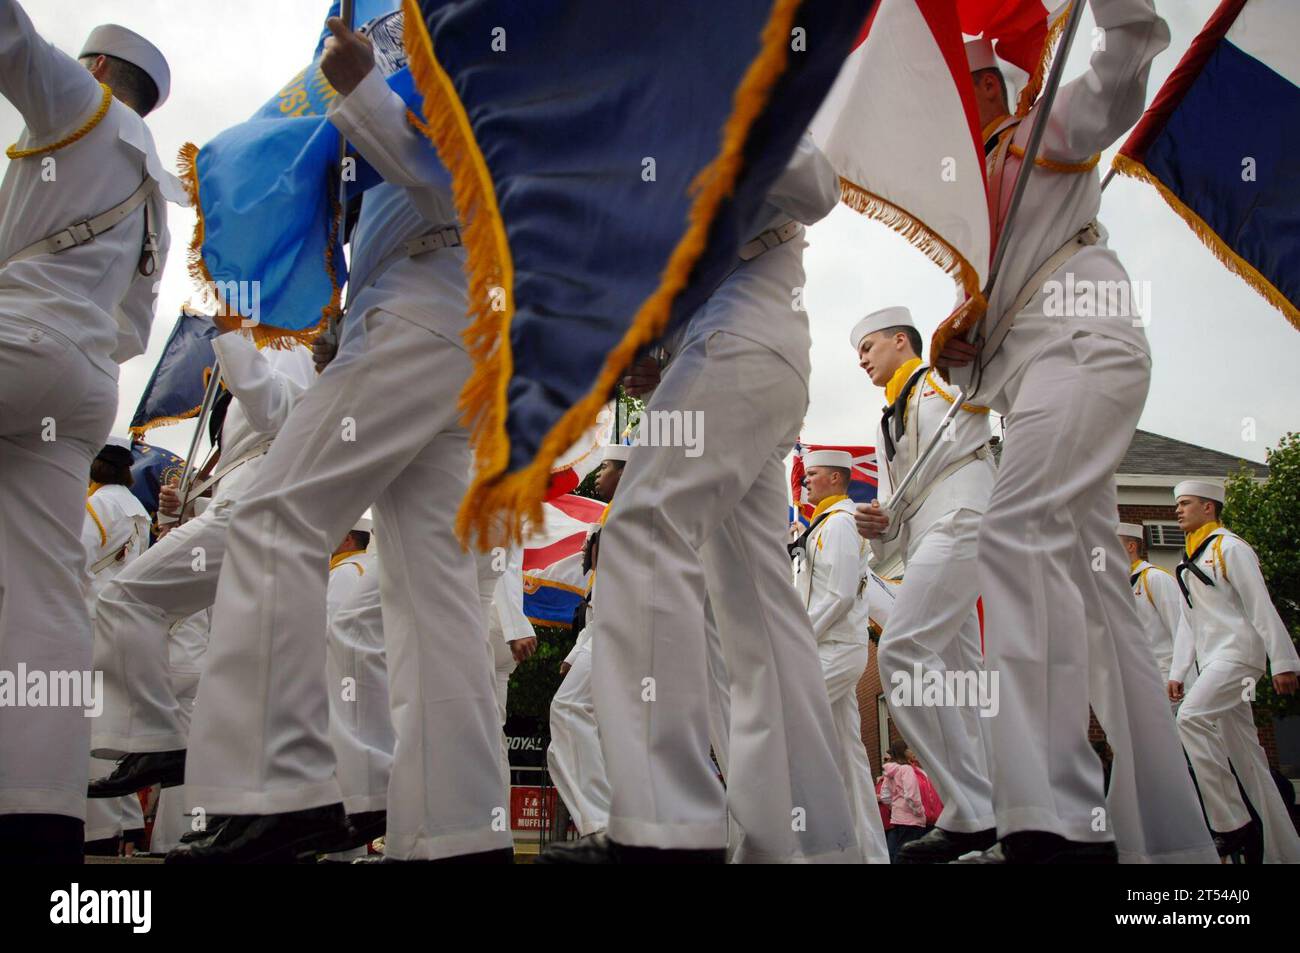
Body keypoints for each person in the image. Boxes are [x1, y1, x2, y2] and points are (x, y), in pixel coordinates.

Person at [170, 18, 510, 863]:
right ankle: (459, 832)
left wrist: (360, 85)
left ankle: (280, 792)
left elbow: (457, 183)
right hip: (450, 328)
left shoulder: (486, 58)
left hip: (428, 310)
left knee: (273, 521)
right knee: (433, 598)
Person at [941, 4, 1216, 864]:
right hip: (1043, 381)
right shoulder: (969, 194)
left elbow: (1129, 57)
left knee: (1015, 537)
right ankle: (1167, 850)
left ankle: (1052, 820)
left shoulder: (1041, 127)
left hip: (1085, 348)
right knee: (1105, 610)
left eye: (961, 76)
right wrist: (954, 350)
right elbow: (982, 373)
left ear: (990, 83)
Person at [581, 134, 859, 863]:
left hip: (746, 334)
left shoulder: (732, 75)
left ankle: (665, 824)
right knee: (759, 613)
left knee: (642, 527)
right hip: (732, 339)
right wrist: (656, 347)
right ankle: (808, 841)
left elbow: (817, 187)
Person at [0, 2, 182, 862]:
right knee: (44, 598)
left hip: (23, 337)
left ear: (100, 70)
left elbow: (11, 42)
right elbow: (134, 332)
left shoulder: (84, 105)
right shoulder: (156, 198)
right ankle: (38, 815)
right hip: (83, 386)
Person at [88, 322, 313, 793]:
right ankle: (262, 805)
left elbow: (277, 415)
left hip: (257, 506)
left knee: (126, 599)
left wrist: (232, 337)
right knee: (258, 679)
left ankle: (157, 739)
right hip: (254, 506)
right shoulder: (276, 344)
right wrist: (189, 507)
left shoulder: (289, 340)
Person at [850, 306, 997, 863]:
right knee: (962, 678)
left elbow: (999, 386)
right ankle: (1000, 810)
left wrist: (969, 352)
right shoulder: (884, 419)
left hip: (965, 512)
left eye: (868, 346)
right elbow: (896, 506)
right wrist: (880, 524)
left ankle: (971, 807)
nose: (861, 359)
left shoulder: (945, 375)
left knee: (904, 650)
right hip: (924, 533)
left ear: (900, 340)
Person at [1168, 481, 1300, 863]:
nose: (1178, 510)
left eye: (1185, 504)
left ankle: (1230, 823)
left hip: (1237, 657)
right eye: (1177, 505)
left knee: (1190, 719)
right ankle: (1286, 853)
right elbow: (1186, 622)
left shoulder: (1231, 548)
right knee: (1250, 762)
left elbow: (1260, 604)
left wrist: (1283, 661)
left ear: (1209, 507)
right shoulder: (1187, 556)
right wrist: (1178, 670)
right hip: (1213, 662)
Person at [791, 449, 889, 864]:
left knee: (780, 724)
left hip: (831, 649)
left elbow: (841, 592)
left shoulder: (842, 524)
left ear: (835, 477)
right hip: (825, 648)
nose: (804, 480)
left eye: (811, 474)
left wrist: (798, 639)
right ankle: (868, 855)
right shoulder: (822, 526)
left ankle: (800, 846)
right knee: (850, 759)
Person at [82, 437, 150, 855]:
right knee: (114, 727)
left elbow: (72, 559)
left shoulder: (96, 506)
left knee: (88, 728)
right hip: (121, 626)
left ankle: (98, 831)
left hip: (90, 625)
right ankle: (125, 824)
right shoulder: (137, 508)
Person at [1117, 521, 1192, 707]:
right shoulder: (1117, 585)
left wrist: (1185, 680)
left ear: (1131, 546)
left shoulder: (1155, 578)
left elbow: (1181, 629)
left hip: (1162, 675)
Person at [879, 740, 926, 861]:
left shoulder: (891, 772)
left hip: (897, 819)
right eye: (909, 749)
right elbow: (911, 795)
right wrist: (920, 812)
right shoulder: (907, 769)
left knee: (900, 853)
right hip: (912, 819)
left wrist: (895, 806)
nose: (912, 751)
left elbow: (885, 795)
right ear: (903, 752)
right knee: (913, 856)